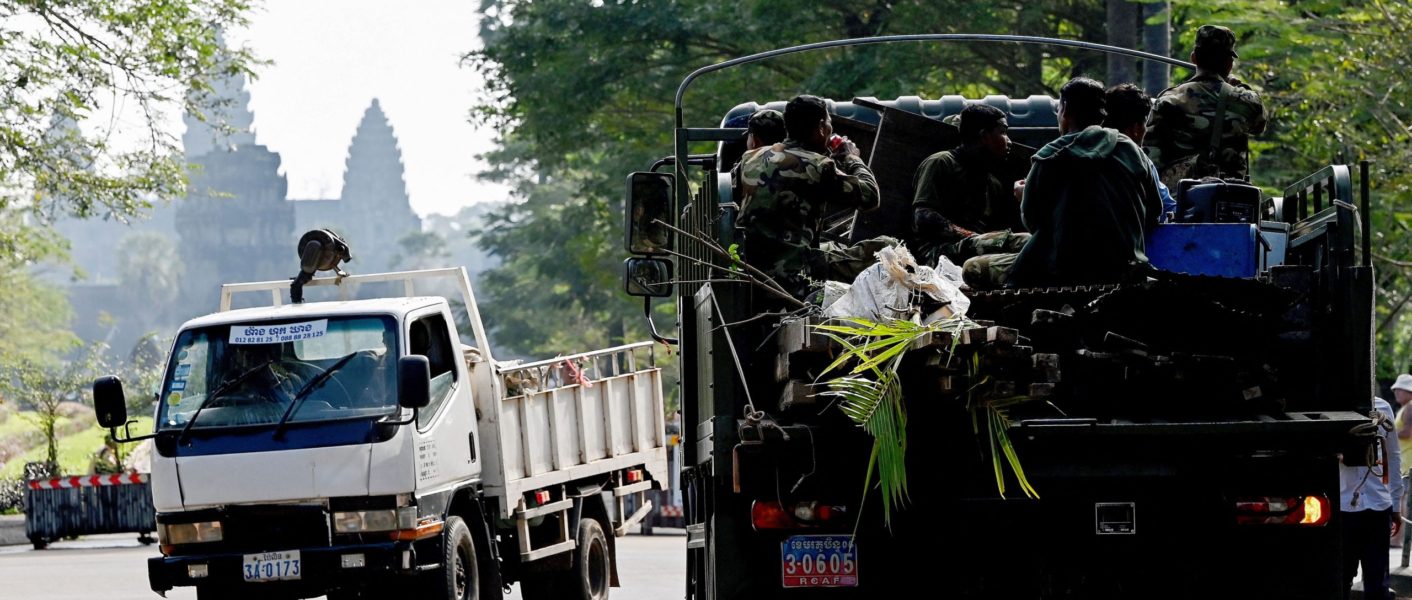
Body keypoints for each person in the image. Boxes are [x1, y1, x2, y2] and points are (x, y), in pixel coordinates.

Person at [1005, 77, 1162, 289]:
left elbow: (1034, 224)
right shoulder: (1131, 150)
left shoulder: (1048, 158)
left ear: (1065, 110)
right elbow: (1154, 211)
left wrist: (1023, 196)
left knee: (973, 267)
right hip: (1128, 270)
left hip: (1064, 274)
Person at [735, 95, 880, 300]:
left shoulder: (750, 158)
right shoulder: (819, 166)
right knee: (885, 247)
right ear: (821, 127)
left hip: (751, 275)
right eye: (829, 123)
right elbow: (870, 197)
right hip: (797, 279)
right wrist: (852, 158)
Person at [1145, 25, 1267, 189]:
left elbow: (1150, 158)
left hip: (1181, 203)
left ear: (1193, 58)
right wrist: (1239, 88)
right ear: (1230, 64)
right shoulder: (1246, 100)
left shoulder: (1169, 100)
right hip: (1232, 201)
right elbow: (1259, 125)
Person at [911, 104, 1028, 268]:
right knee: (1023, 242)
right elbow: (923, 217)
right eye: (1003, 132)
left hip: (974, 253)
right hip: (937, 255)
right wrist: (973, 237)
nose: (1009, 141)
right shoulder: (941, 162)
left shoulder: (992, 182)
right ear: (984, 136)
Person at [1341, 396, 1403, 600]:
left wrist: (1395, 505)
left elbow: (1393, 456)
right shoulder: (1327, 409)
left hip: (1377, 506)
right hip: (1341, 507)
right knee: (1340, 580)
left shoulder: (1382, 408)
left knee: (1377, 584)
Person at [1103, 83, 1176, 222]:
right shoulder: (1138, 160)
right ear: (1136, 127)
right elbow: (1164, 208)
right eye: (1145, 125)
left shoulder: (1081, 152)